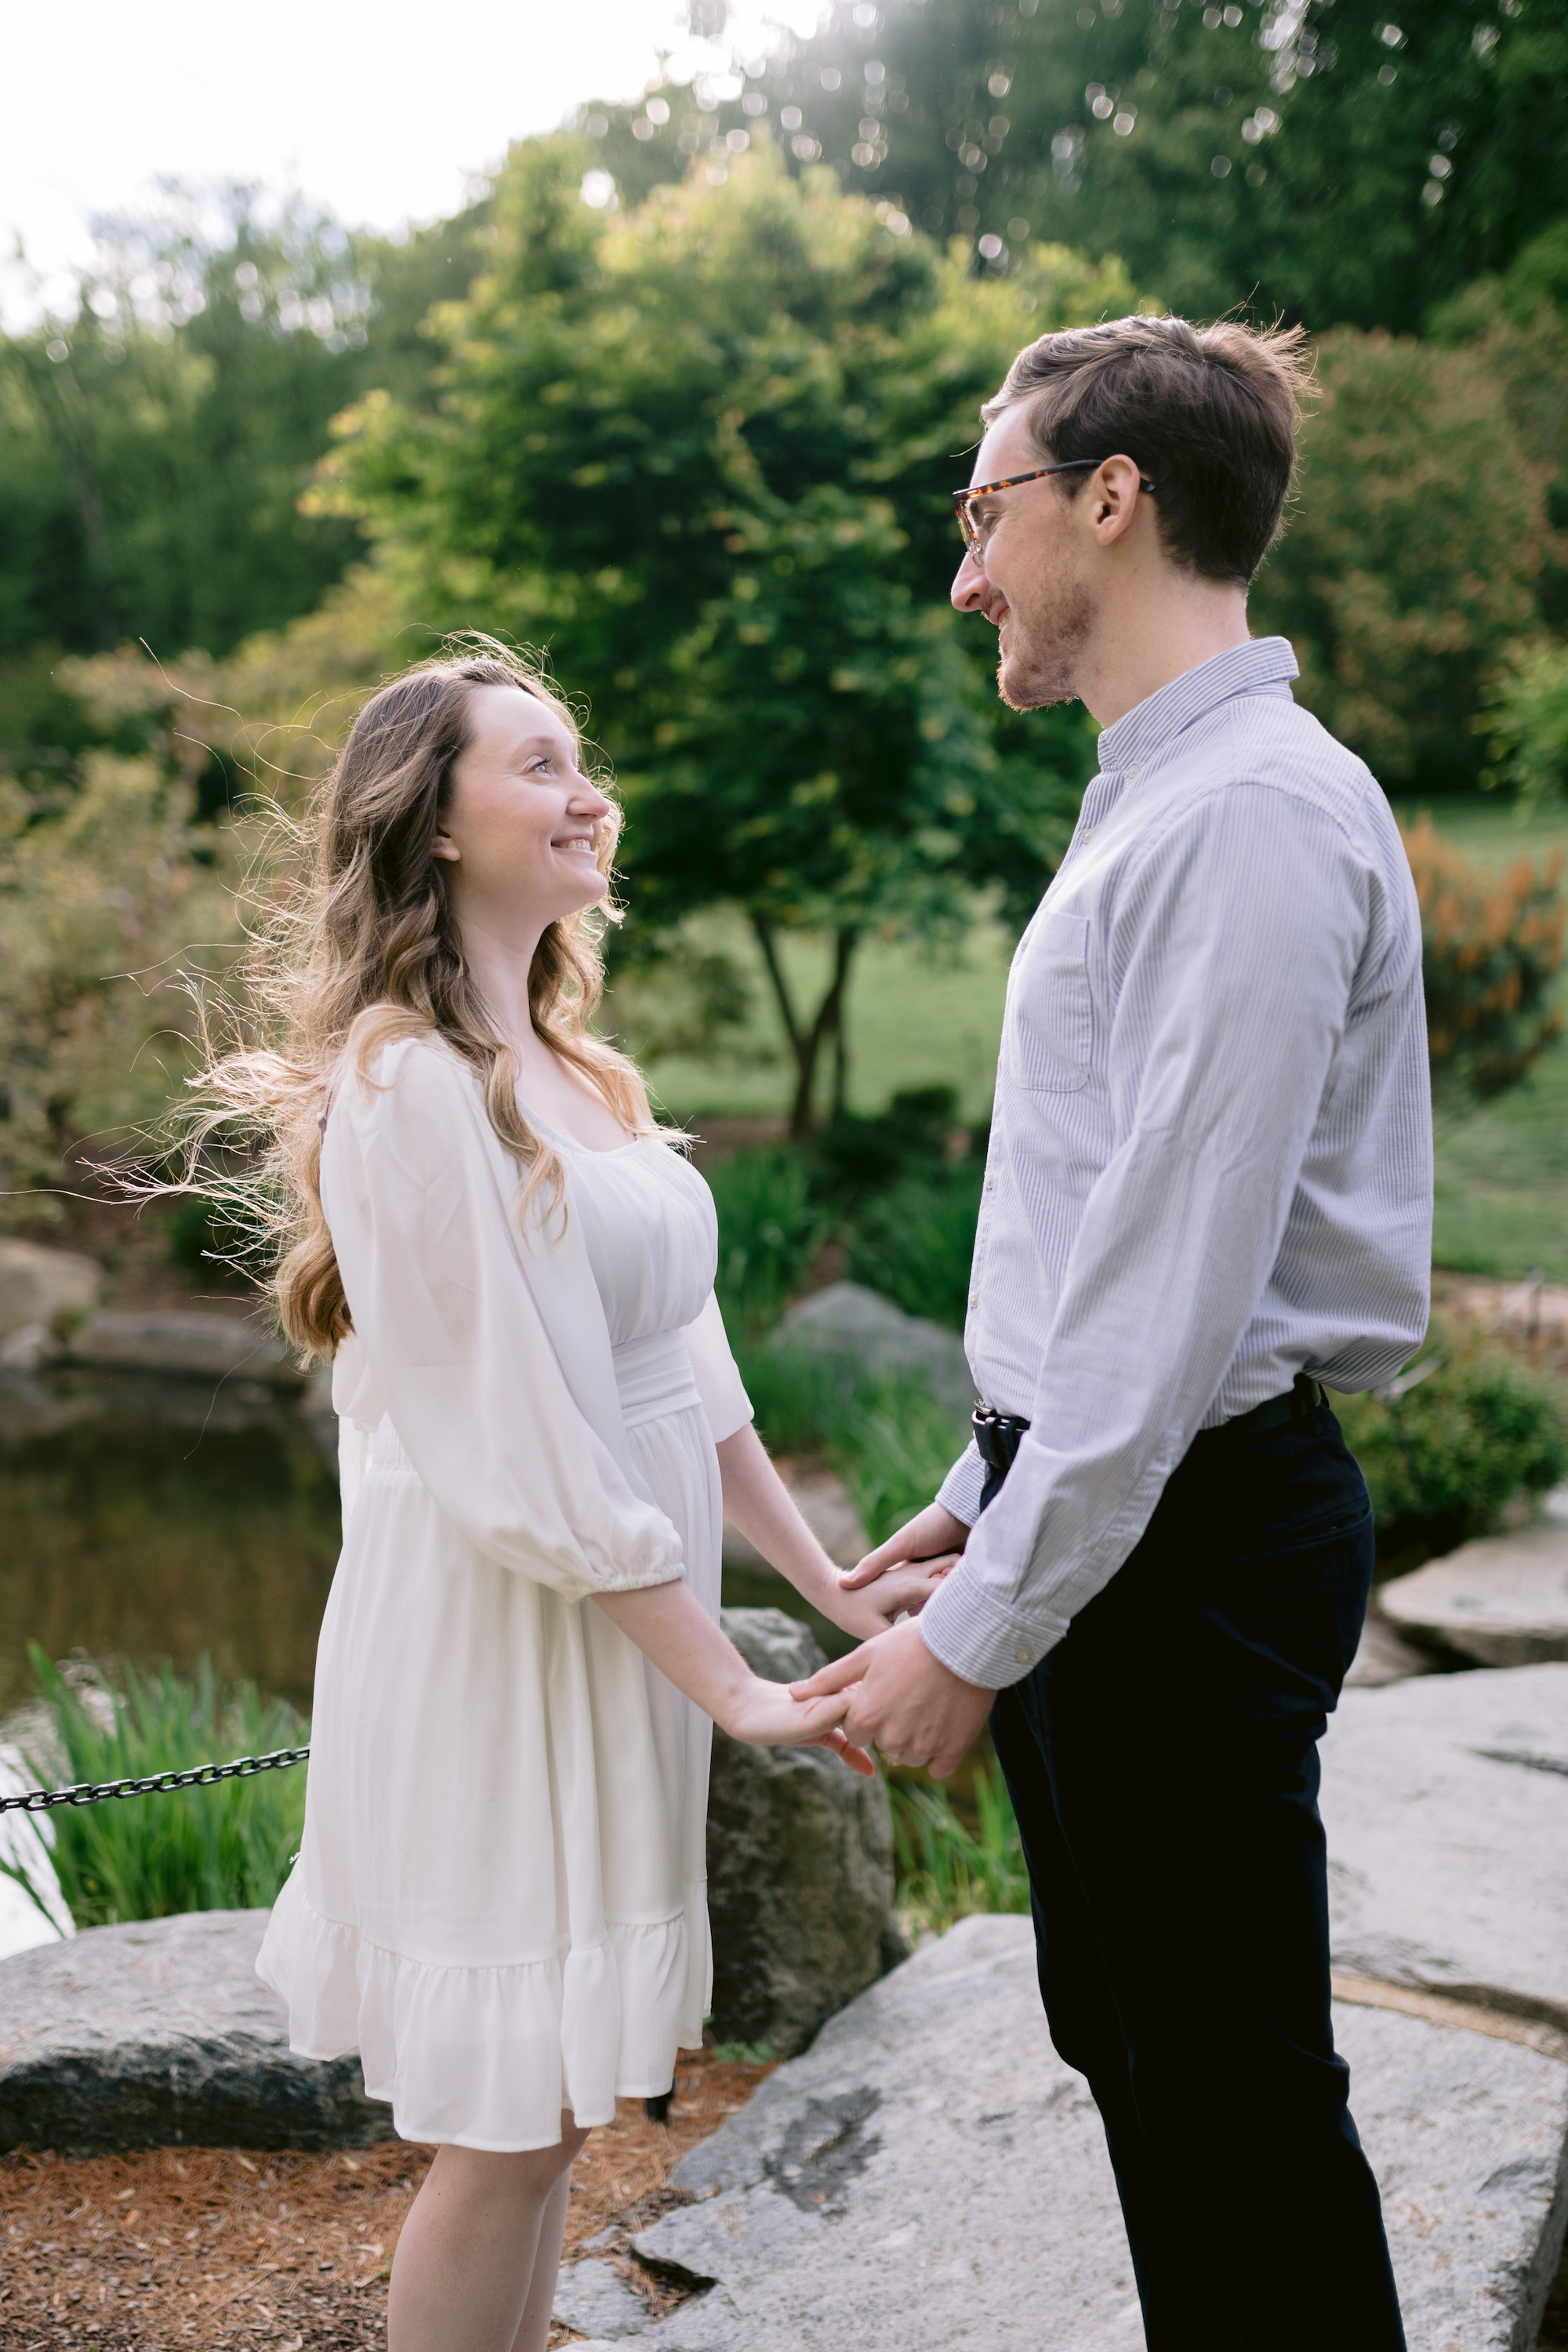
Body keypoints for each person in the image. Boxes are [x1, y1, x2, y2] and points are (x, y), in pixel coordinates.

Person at [794, 316, 1429, 2350]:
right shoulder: (1169, 791)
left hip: (1194, 1543)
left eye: (982, 510)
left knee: (1232, 2102)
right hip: (1125, 1515)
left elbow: (1168, 1301)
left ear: (1111, 497)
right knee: (1144, 2064)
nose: (964, 570)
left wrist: (977, 1638)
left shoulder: (1246, 816)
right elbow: (1103, 1247)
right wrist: (982, 1497)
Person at [194, 645, 944, 2352]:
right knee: (507, 2124)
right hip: (497, 1642)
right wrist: (737, 1681)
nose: (584, 793)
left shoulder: (578, 1071)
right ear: (434, 823)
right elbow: (520, 1454)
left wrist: (826, 1586)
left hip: (621, 1631)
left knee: (553, 2125)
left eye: (579, 761)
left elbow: (692, 1376)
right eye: (537, 765)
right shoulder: (403, 1083)